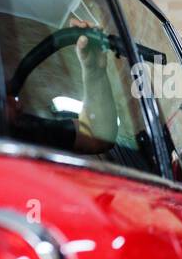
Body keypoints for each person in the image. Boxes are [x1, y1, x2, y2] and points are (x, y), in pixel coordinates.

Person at [7, 15, 119, 156]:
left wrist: (94, 71)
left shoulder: (26, 131)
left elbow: (98, 136)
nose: (18, 105)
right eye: (2, 100)